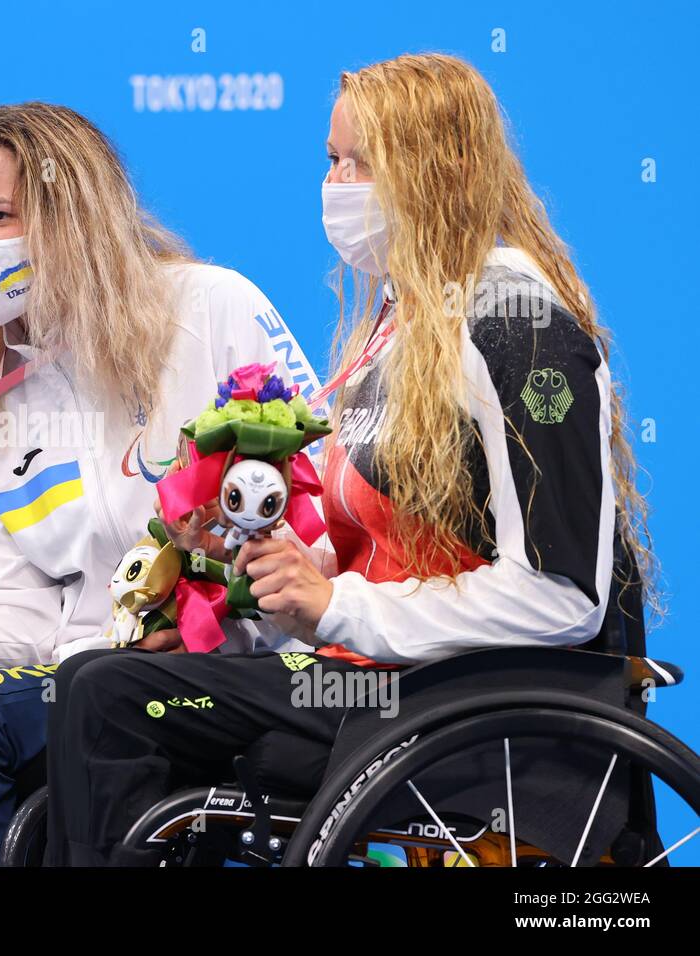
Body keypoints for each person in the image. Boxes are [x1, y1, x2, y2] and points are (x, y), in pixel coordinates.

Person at [42, 52, 655, 866]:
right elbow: (372, 556)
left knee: (111, 699)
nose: (337, 186)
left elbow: (563, 595)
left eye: (362, 163)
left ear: (445, 169)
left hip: (448, 696)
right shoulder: (401, 326)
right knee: (115, 685)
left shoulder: (518, 328)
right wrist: (251, 570)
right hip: (365, 678)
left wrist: (336, 607)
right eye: (332, 160)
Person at [0, 102, 321, 865]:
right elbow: (20, 612)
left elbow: (317, 511)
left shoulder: (211, 309)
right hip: (80, 666)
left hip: (228, 666)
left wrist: (221, 621)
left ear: (73, 216)